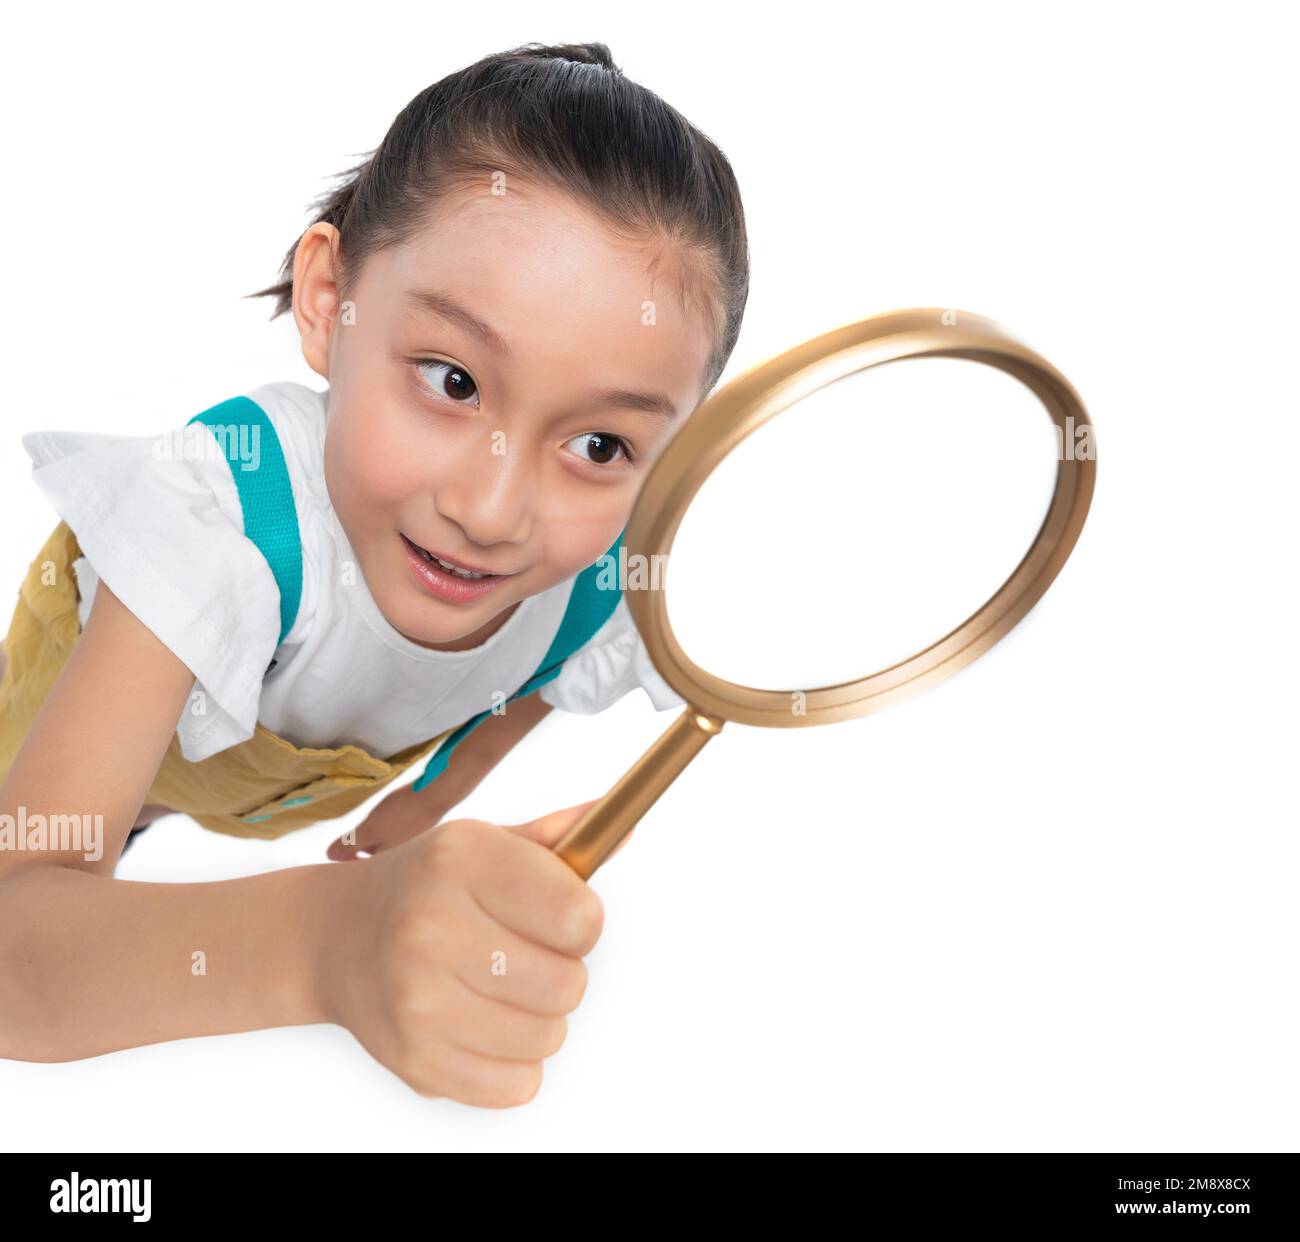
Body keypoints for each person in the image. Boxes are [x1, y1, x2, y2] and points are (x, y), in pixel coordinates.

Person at [0, 41, 749, 1106]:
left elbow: (507, 701)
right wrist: (329, 942)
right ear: (327, 299)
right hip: (63, 707)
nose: (491, 513)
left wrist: (395, 838)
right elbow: (11, 954)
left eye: (598, 447)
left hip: (246, 778)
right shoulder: (219, 524)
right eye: (452, 381)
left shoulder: (590, 591)